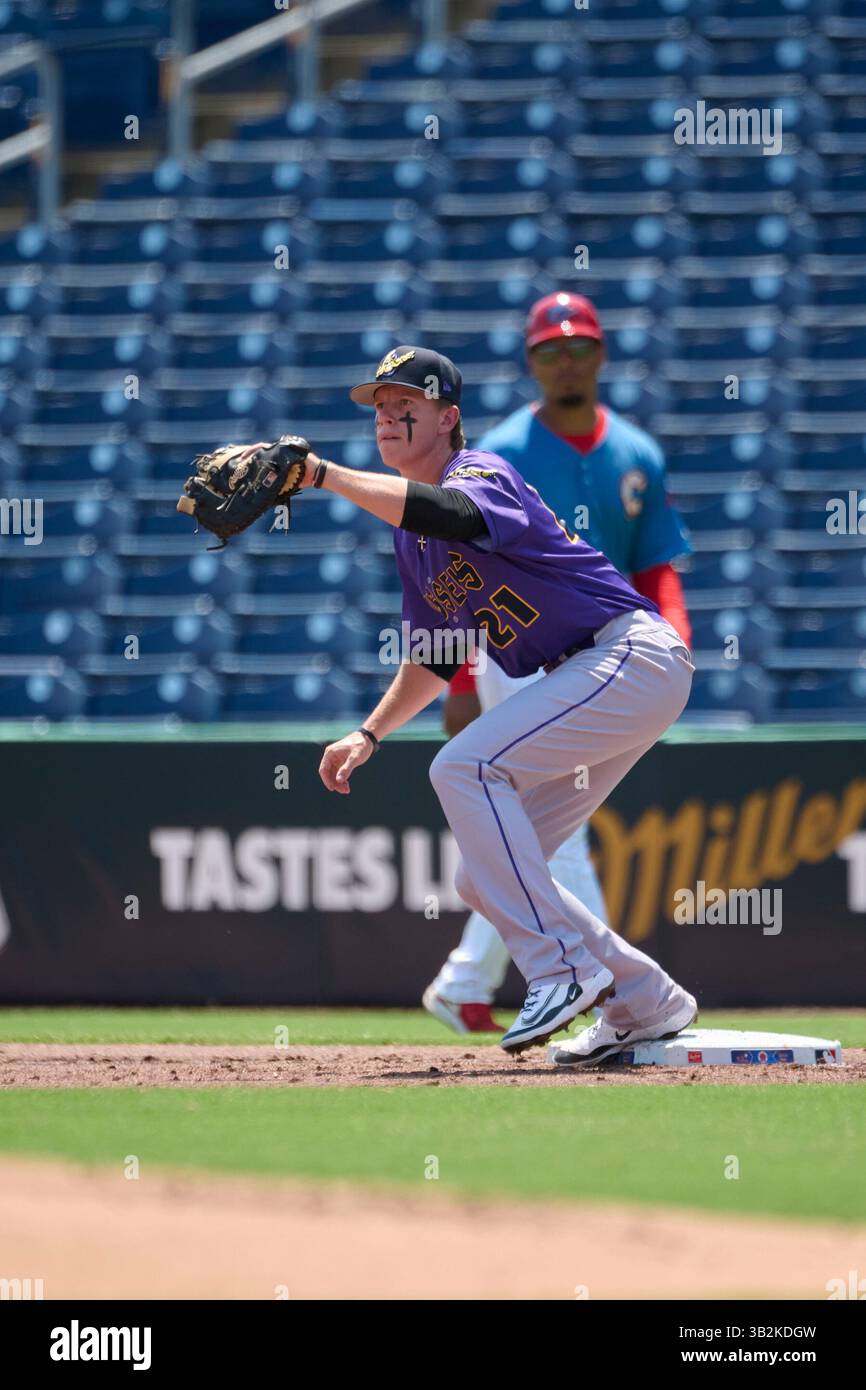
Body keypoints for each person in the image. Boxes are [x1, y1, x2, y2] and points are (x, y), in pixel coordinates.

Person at [308, 343, 697, 1064]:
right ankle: (643, 997)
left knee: (463, 768)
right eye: (380, 411)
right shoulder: (412, 540)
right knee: (478, 874)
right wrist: (369, 733)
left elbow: (453, 514)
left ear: (448, 418)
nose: (387, 420)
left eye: (406, 408)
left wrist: (326, 476)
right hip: (592, 673)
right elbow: (437, 657)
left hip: (628, 653)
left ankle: (560, 969)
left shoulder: (478, 471)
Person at [424, 291, 692, 1035]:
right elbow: (463, 579)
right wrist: (465, 679)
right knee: (526, 834)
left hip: (614, 649)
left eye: (578, 346)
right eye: (550, 349)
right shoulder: (504, 450)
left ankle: (488, 979)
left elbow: (655, 564)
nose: (565, 360)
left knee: (508, 844)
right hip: (520, 652)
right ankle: (601, 990)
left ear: (599, 353)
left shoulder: (636, 452)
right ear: (531, 361)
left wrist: (674, 643)